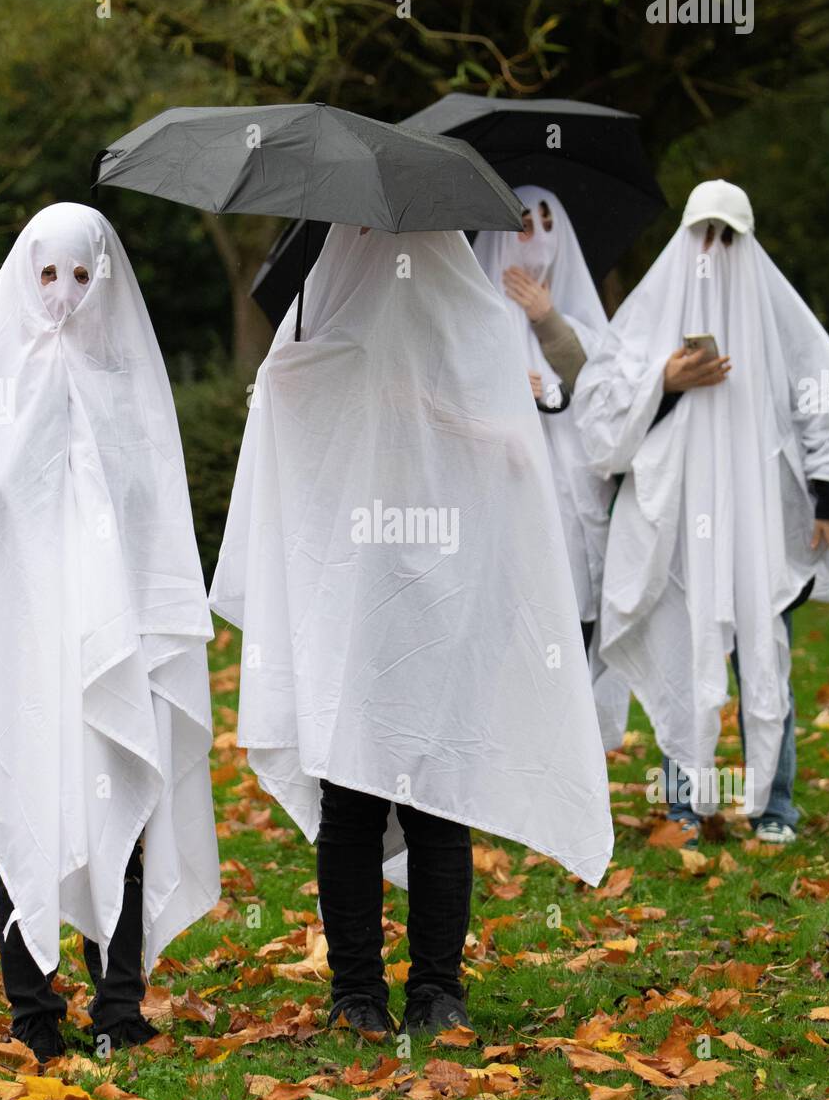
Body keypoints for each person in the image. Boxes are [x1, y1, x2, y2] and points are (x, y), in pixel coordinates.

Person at [209, 224, 612, 1037]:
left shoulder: (472, 333)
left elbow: (509, 456)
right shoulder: (312, 343)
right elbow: (286, 424)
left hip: (445, 605)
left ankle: (437, 986)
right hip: (349, 603)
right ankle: (356, 991)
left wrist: (434, 412)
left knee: (438, 802)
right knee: (350, 798)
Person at [0, 202, 221, 1061]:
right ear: (24, 280)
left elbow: (150, 512)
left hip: (115, 636)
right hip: (25, 637)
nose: (65, 295)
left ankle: (119, 1002)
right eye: (48, 276)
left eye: (82, 276)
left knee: (123, 789)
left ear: (103, 278)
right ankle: (32, 1008)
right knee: (29, 790)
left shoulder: (128, 382)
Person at [574, 180, 829, 845]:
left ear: (745, 240)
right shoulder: (646, 321)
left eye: (727, 236)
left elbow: (826, 401)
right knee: (677, 650)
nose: (713, 250)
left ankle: (772, 804)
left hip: (760, 520)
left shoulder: (779, 321)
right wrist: (662, 386)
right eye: (703, 234)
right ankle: (684, 803)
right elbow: (599, 424)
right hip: (674, 524)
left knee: (764, 652)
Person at [473, 186, 629, 750]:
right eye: (519, 222)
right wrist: (503, 391)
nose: (533, 237)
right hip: (507, 503)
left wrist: (547, 324)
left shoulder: (583, 322)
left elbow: (611, 396)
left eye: (545, 222)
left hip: (576, 503)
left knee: (575, 618)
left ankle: (571, 748)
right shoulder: (471, 320)